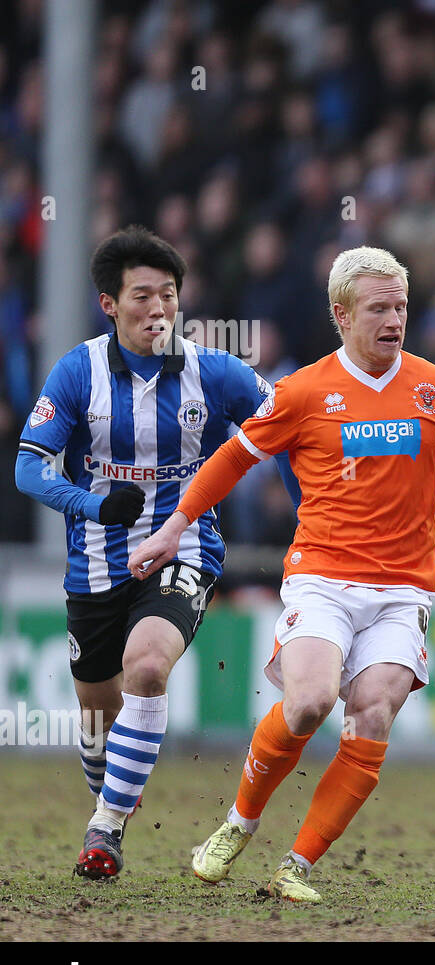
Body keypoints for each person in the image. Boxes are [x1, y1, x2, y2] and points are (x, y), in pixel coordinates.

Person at [128, 246, 435, 902]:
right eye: (379, 307)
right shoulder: (303, 391)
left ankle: (299, 864)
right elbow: (234, 459)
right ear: (342, 315)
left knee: (372, 715)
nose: (394, 318)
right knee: (311, 701)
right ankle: (238, 823)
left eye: (401, 306)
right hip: (323, 577)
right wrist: (176, 524)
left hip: (404, 590)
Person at [14, 225, 298, 879]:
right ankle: (112, 794)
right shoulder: (76, 371)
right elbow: (29, 468)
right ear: (109, 304)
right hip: (93, 564)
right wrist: (91, 506)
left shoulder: (217, 373)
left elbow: (286, 431)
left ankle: (104, 831)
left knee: (146, 668)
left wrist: (308, 517)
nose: (159, 310)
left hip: (183, 550)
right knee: (96, 724)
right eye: (142, 296)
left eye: (168, 295)